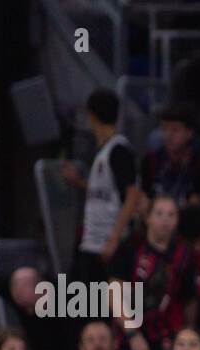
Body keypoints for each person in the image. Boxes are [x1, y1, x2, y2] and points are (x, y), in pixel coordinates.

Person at [107, 195, 198, 350]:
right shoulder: (130, 248)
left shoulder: (184, 255)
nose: (165, 220)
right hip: (128, 334)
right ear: (147, 217)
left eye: (171, 215)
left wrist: (186, 334)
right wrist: (132, 334)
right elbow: (113, 294)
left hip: (165, 335)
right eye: (159, 213)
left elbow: (189, 300)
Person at [67, 89, 141, 284]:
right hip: (91, 240)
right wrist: (80, 183)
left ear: (91, 116)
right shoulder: (102, 151)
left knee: (114, 308)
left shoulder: (119, 149)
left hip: (108, 243)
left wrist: (114, 238)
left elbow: (133, 195)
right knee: (88, 309)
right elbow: (107, 192)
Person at [140, 103, 200, 205]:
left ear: (189, 133)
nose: (168, 135)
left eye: (175, 130)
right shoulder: (150, 160)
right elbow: (144, 199)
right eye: (164, 128)